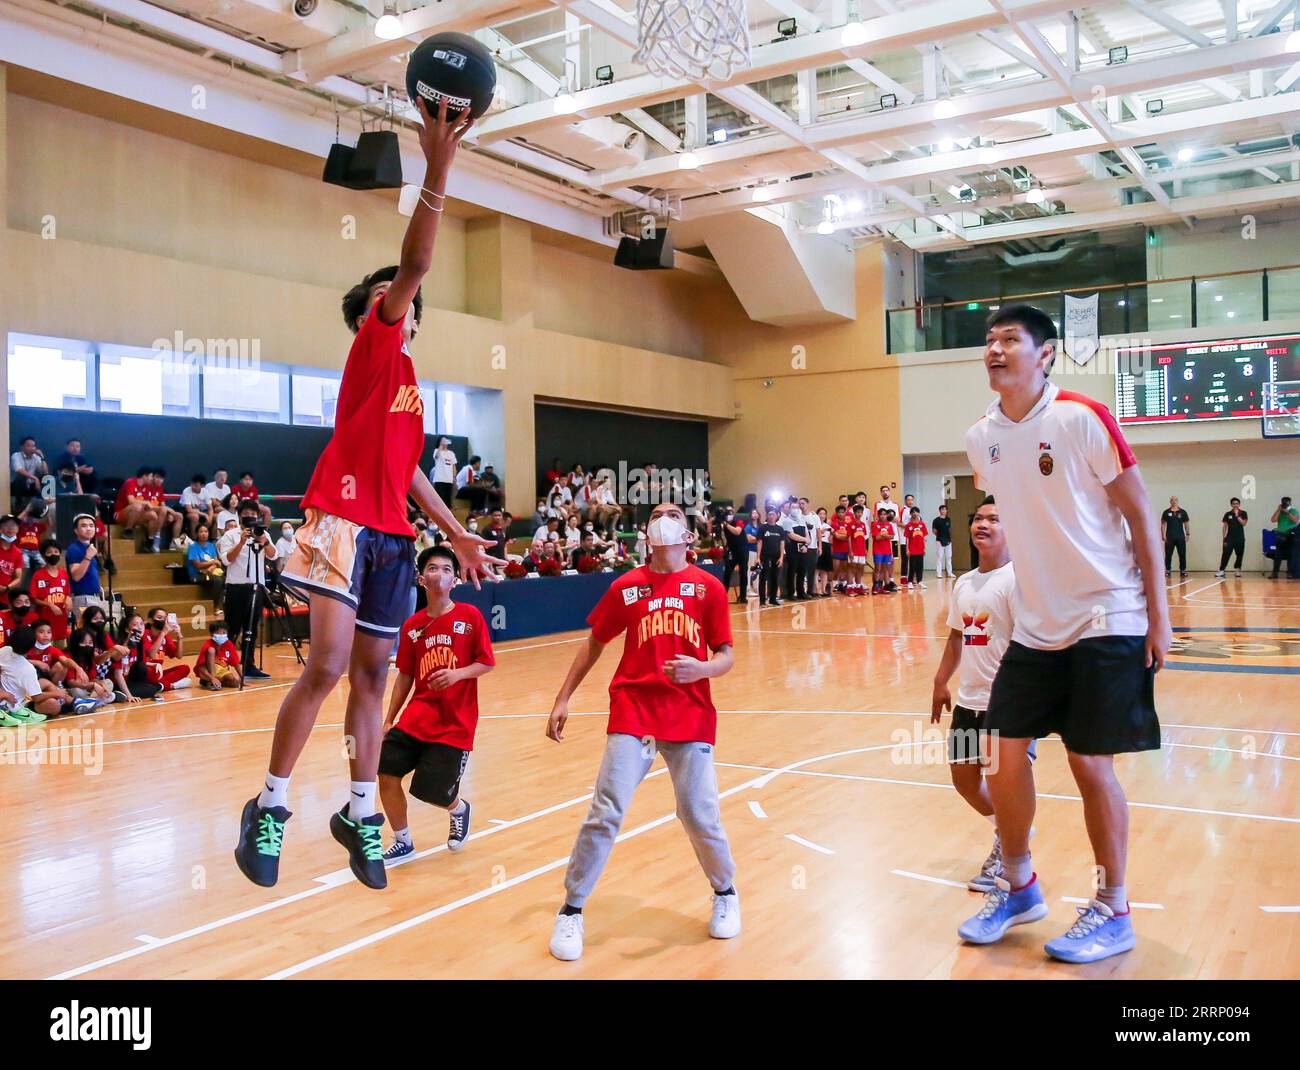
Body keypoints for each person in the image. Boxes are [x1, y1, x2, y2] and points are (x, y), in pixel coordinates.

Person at [234, 99, 500, 892]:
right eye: (388, 291)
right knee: (326, 664)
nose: (403, 295)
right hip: (341, 523)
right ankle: (270, 804)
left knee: (375, 678)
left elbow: (411, 474)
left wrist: (456, 533)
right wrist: (439, 166)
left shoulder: (413, 385)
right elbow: (413, 264)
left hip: (388, 535)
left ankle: (357, 810)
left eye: (403, 296)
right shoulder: (375, 349)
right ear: (372, 314)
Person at [959, 303, 1169, 964]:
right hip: (1038, 621)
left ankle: (1114, 906)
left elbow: (1139, 512)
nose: (996, 350)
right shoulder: (980, 439)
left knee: (1088, 762)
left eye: (1010, 340)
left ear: (1045, 354)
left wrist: (1159, 615)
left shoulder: (1080, 417)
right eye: (990, 340)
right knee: (1000, 749)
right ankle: (1019, 884)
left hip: (1107, 614)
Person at [545, 502, 739, 960]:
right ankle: (572, 910)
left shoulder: (707, 587)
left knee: (697, 812)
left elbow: (727, 654)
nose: (664, 517)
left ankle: (726, 892)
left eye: (673, 513)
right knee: (606, 809)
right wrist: (563, 696)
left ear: (688, 535)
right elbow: (595, 641)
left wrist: (703, 668)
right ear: (647, 532)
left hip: (689, 711)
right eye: (656, 513)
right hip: (633, 708)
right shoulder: (627, 587)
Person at [930, 497, 1036, 890]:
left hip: (1008, 705)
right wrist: (941, 682)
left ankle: (1012, 852)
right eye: (979, 518)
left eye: (994, 518)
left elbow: (1034, 642)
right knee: (964, 780)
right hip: (968, 701)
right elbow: (960, 636)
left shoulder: (1018, 580)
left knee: (1004, 782)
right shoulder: (965, 583)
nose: (983, 524)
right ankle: (1011, 831)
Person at [379, 545, 494, 863]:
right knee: (386, 770)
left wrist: (458, 674)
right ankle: (402, 840)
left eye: (447, 569)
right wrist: (389, 718)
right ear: (420, 578)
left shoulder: (470, 617)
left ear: (455, 580)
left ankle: (458, 808)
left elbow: (486, 662)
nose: (440, 573)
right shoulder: (412, 626)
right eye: (433, 568)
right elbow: (404, 677)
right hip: (417, 716)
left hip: (455, 722)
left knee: (430, 791)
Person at [219, 499, 278, 680]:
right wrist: (241, 543)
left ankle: (248, 665)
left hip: (256, 587)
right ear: (239, 515)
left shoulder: (262, 533)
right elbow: (226, 560)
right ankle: (224, 665)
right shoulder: (230, 535)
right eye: (246, 514)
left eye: (253, 514)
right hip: (236, 587)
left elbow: (273, 555)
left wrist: (263, 541)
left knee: (251, 629)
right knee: (232, 628)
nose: (250, 517)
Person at [0, 627, 52, 723]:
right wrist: (58, 694)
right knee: (54, 705)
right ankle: (14, 712)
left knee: (45, 683)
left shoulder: (4, 650)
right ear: (31, 647)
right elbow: (36, 697)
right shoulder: (28, 669)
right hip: (12, 704)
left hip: (4, 696)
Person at [30, 540, 72, 646]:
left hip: (61, 622)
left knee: (60, 652)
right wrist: (49, 604)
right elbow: (32, 599)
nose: (53, 554)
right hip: (44, 625)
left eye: (56, 551)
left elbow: (67, 593)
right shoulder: (38, 575)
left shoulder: (64, 574)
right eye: (49, 552)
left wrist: (68, 598)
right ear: (43, 556)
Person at [143, 607, 192, 691]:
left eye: (165, 618)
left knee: (184, 668)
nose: (163, 620)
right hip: (145, 671)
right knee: (150, 671)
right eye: (159, 617)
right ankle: (171, 686)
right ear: (150, 620)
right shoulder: (145, 633)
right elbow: (151, 654)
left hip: (158, 673)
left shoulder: (166, 637)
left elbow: (179, 656)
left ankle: (160, 684)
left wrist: (179, 636)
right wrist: (163, 633)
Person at [64, 514, 104, 616]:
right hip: (82, 598)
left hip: (93, 597)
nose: (89, 528)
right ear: (76, 530)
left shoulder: (89, 547)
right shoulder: (74, 549)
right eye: (84, 526)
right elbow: (76, 576)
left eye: (91, 525)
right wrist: (88, 557)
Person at [115, 466, 163, 549]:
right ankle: (128, 530)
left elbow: (148, 506)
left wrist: (161, 509)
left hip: (137, 515)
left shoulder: (147, 487)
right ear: (144, 476)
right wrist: (146, 502)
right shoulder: (130, 482)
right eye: (151, 476)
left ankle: (149, 539)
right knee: (137, 507)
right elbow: (131, 501)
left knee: (153, 515)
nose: (152, 479)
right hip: (121, 513)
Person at [195, 621, 242, 690]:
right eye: (220, 633)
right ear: (212, 634)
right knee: (211, 650)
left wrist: (242, 677)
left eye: (224, 633)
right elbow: (201, 667)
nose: (222, 635)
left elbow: (236, 663)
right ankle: (210, 681)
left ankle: (208, 682)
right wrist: (212, 678)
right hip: (207, 671)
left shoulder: (229, 644)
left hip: (221, 669)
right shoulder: (207, 645)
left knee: (235, 683)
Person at [757, 505, 785, 607]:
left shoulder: (780, 529)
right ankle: (762, 601)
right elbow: (759, 542)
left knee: (774, 578)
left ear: (777, 516)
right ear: (767, 516)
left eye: (773, 514)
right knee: (763, 578)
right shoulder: (763, 528)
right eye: (769, 514)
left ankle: (773, 599)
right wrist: (758, 557)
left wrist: (781, 557)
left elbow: (782, 544)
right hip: (765, 557)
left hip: (776, 557)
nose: (771, 516)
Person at [720, 506, 749, 603]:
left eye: (731, 512)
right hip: (732, 550)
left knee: (743, 573)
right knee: (727, 573)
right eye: (727, 513)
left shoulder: (738, 520)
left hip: (742, 549)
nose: (730, 514)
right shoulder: (722, 523)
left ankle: (743, 596)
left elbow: (737, 531)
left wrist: (726, 524)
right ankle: (723, 596)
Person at [1268, 496, 1299, 579]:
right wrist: (1279, 510)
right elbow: (1273, 520)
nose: (1285, 504)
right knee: (1278, 555)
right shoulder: (1280, 511)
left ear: (1290, 503)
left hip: (1291, 536)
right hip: (1280, 535)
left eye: (1286, 502)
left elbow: (1295, 521)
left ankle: (1290, 573)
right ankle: (1275, 573)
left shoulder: (1294, 510)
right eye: (1283, 502)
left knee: (1291, 555)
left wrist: (1287, 512)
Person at [10, 436, 47, 506]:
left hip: (32, 486)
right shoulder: (16, 455)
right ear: (22, 447)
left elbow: (45, 472)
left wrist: (42, 457)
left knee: (46, 478)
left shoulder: (36, 457)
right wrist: (35, 478)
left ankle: (45, 503)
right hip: (18, 487)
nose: (32, 448)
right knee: (19, 480)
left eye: (33, 446)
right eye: (28, 445)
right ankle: (19, 504)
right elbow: (18, 470)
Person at [1217, 498, 1248, 578]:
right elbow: (1225, 526)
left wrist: (1237, 515)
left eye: (1237, 503)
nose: (1235, 505)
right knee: (1226, 553)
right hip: (1229, 538)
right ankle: (1221, 570)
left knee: (1239, 554)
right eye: (1233, 503)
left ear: (1239, 504)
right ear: (1231, 505)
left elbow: (1244, 523)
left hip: (1240, 537)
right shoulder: (1228, 514)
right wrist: (1224, 537)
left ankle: (1237, 570)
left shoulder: (1243, 513)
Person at [1160, 495, 1190, 578]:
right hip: (1169, 537)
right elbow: (1163, 524)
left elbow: (1186, 523)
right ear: (1170, 502)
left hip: (1180, 537)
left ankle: (1183, 570)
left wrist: (1187, 534)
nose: (1174, 501)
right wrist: (1163, 535)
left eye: (1175, 500)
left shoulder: (1183, 512)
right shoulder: (1166, 512)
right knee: (1168, 554)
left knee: (1182, 554)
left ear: (1177, 501)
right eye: (1172, 500)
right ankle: (1168, 570)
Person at [0, 514, 23, 609]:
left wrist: (7, 588)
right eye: (6, 525)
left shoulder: (17, 552)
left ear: (17, 529)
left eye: (13, 525)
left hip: (4, 598)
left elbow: (18, 578)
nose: (10, 528)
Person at [870, 508, 894, 595]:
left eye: (884, 514)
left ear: (887, 515)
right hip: (878, 550)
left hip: (887, 551)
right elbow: (876, 538)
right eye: (881, 514)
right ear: (878, 515)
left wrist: (883, 535)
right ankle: (875, 586)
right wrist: (884, 535)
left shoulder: (889, 525)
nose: (883, 516)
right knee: (877, 568)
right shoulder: (875, 525)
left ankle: (881, 586)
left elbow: (892, 536)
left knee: (884, 569)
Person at [903, 506, 928, 589]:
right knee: (912, 566)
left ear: (918, 513)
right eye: (913, 512)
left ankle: (920, 581)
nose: (915, 513)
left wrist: (924, 548)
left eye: (916, 512)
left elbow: (924, 537)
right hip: (912, 549)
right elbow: (906, 538)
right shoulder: (908, 526)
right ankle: (910, 581)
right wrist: (907, 549)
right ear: (911, 514)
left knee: (920, 566)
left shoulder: (922, 524)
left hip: (920, 548)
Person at [430, 437, 457, 508]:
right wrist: (441, 446)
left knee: (447, 500)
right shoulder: (437, 451)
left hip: (448, 479)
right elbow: (436, 456)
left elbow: (453, 465)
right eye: (443, 440)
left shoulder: (451, 453)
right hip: (439, 479)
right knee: (438, 500)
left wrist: (454, 477)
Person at [932, 504, 953, 579]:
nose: (944, 511)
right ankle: (939, 573)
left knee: (949, 557)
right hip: (939, 541)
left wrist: (949, 538)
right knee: (939, 557)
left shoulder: (948, 519)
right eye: (942, 509)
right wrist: (940, 536)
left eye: (945, 509)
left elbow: (949, 529)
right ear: (940, 510)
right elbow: (934, 531)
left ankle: (950, 573)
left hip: (948, 541)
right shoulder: (936, 520)